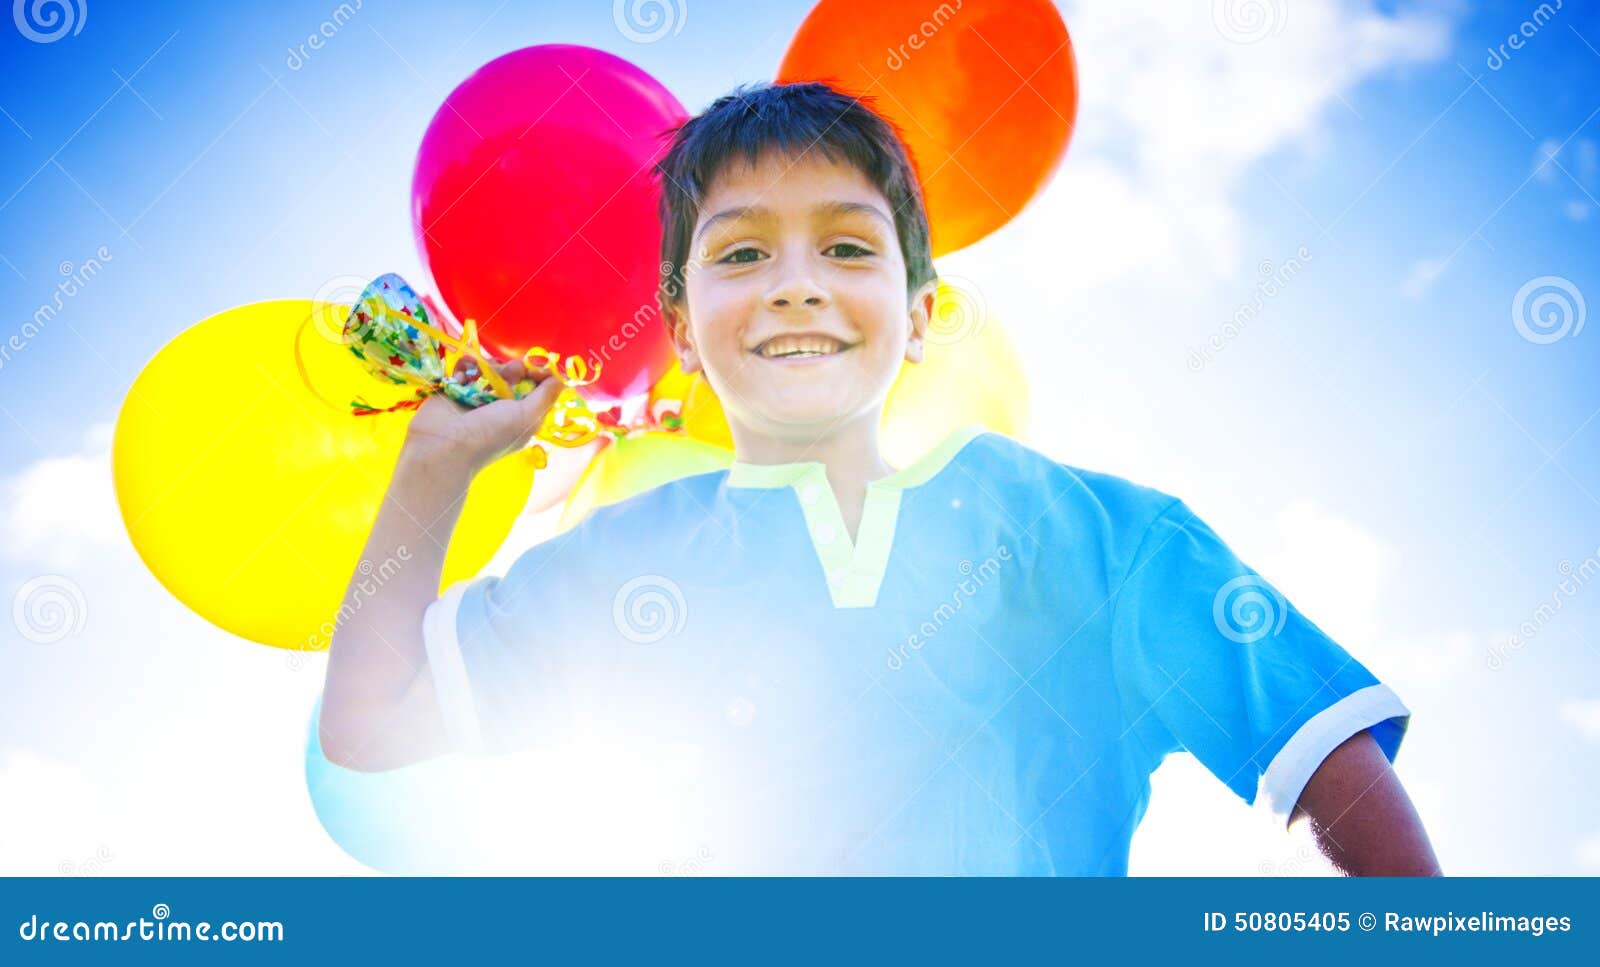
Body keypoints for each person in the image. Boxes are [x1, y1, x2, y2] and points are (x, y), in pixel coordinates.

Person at [318, 81, 1440, 876]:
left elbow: (1319, 758)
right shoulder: (619, 562)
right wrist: (433, 471)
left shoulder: (1094, 532)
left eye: (848, 247)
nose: (795, 284)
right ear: (683, 327)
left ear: (919, 313)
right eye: (741, 253)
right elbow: (370, 727)